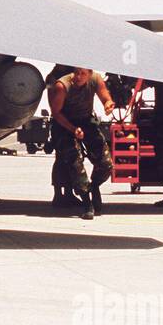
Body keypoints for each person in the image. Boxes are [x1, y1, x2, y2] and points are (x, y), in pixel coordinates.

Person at [47, 67, 114, 219]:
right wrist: (73, 129)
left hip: (86, 121)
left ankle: (94, 186)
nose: (78, 76)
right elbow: (56, 113)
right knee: (75, 163)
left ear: (89, 74)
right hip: (65, 124)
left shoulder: (95, 79)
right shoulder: (62, 85)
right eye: (76, 72)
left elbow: (105, 97)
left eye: (83, 74)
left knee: (106, 164)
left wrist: (108, 104)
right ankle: (86, 202)